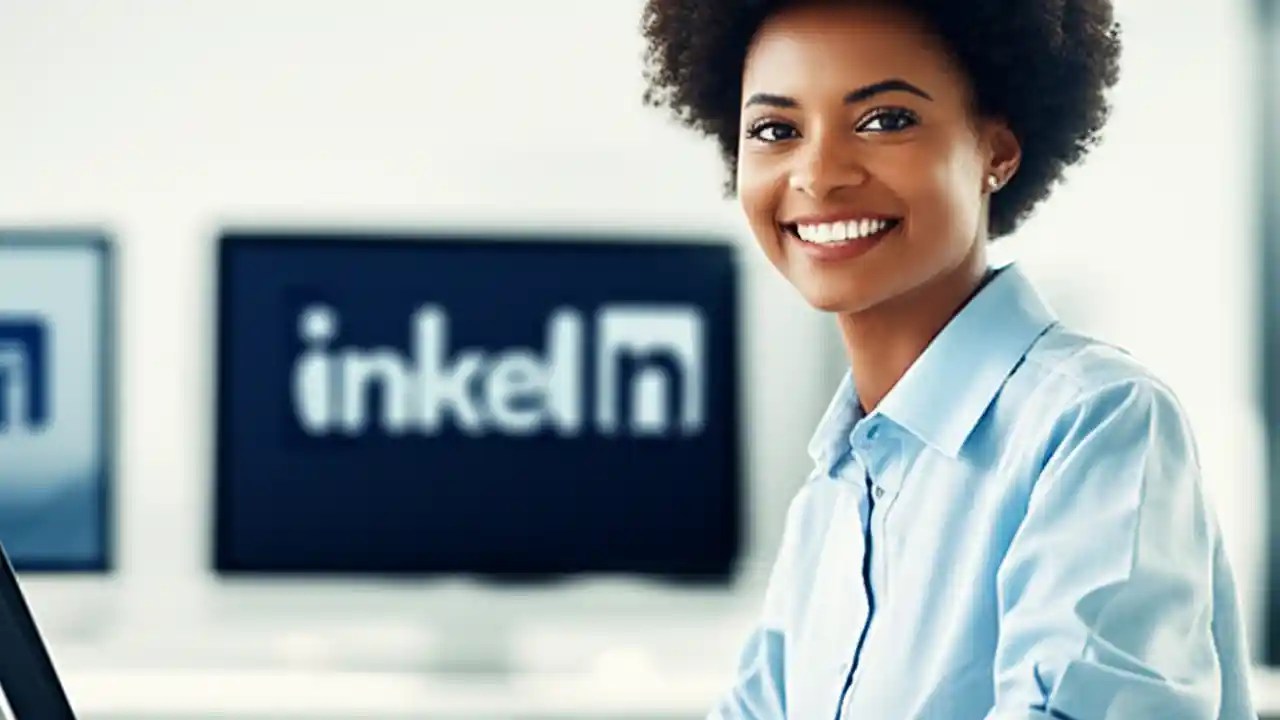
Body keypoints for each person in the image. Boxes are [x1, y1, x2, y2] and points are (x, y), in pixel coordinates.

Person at [640, 0, 1257, 718]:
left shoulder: (1095, 424)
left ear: (997, 151)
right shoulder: (830, 500)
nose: (819, 173)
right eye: (777, 130)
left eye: (885, 120)